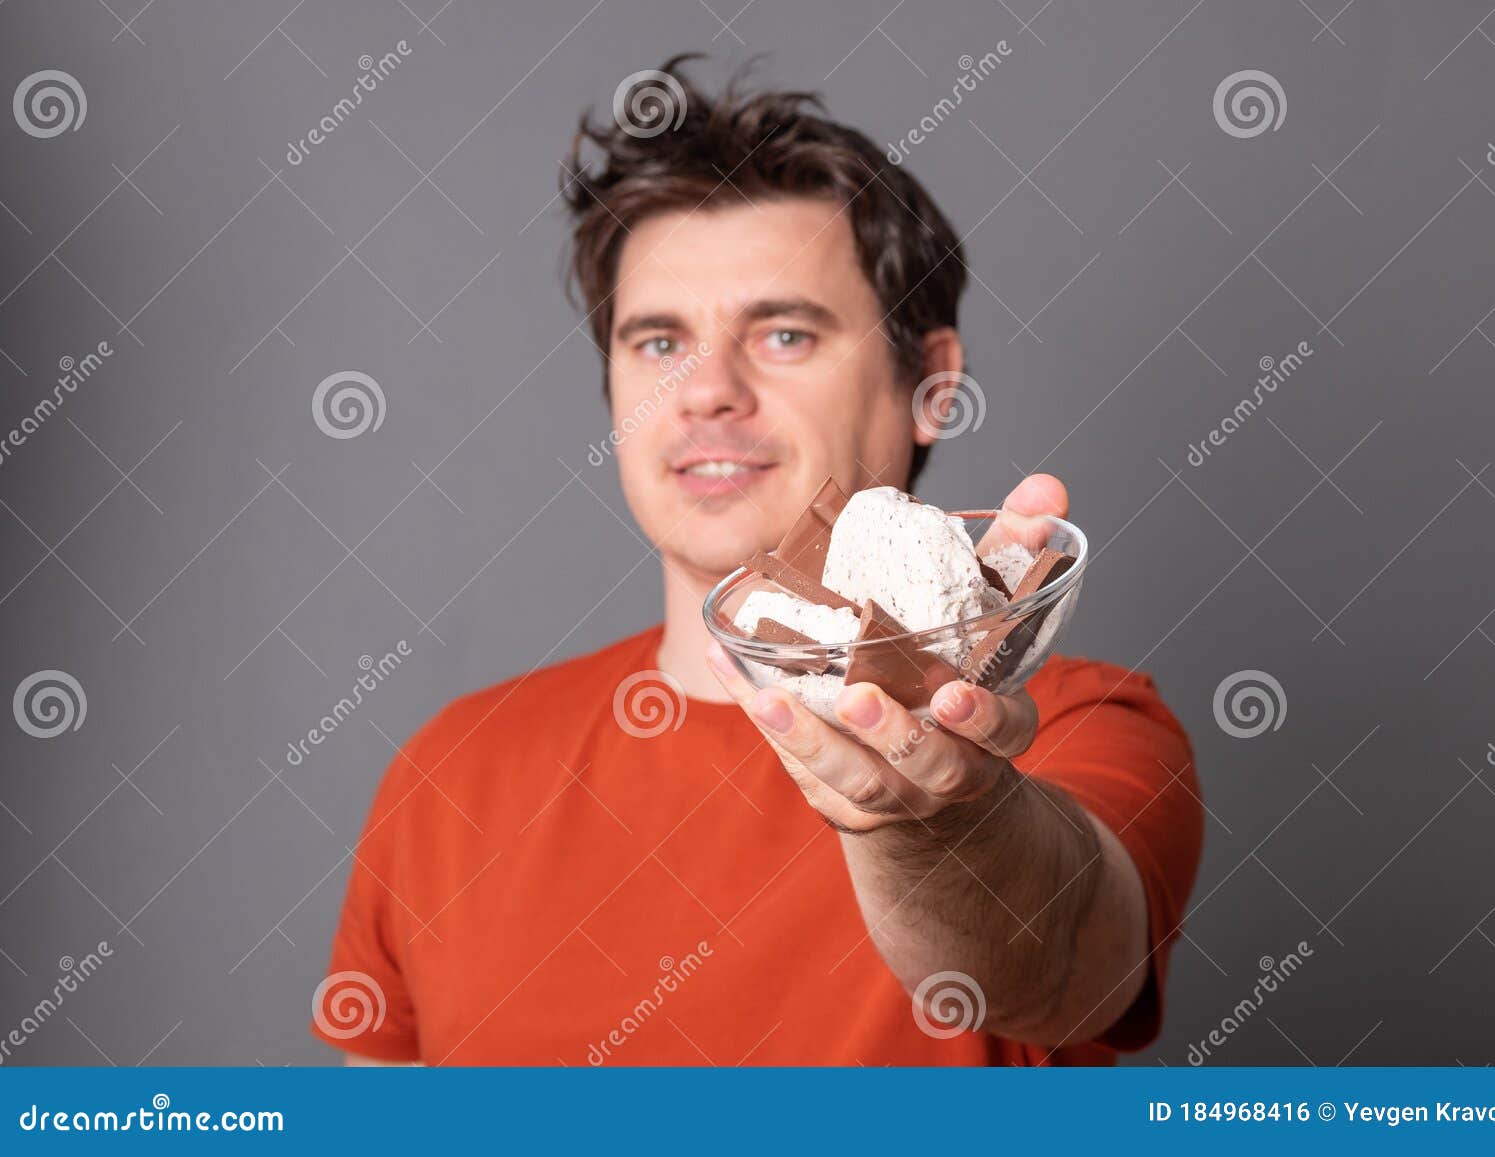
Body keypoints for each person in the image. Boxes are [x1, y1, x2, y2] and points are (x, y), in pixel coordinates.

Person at [314, 57, 1202, 1066]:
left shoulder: (1079, 728)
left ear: (932, 384)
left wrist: (932, 823)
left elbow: (1052, 971)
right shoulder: (451, 773)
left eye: (783, 332)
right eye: (658, 342)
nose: (705, 392)